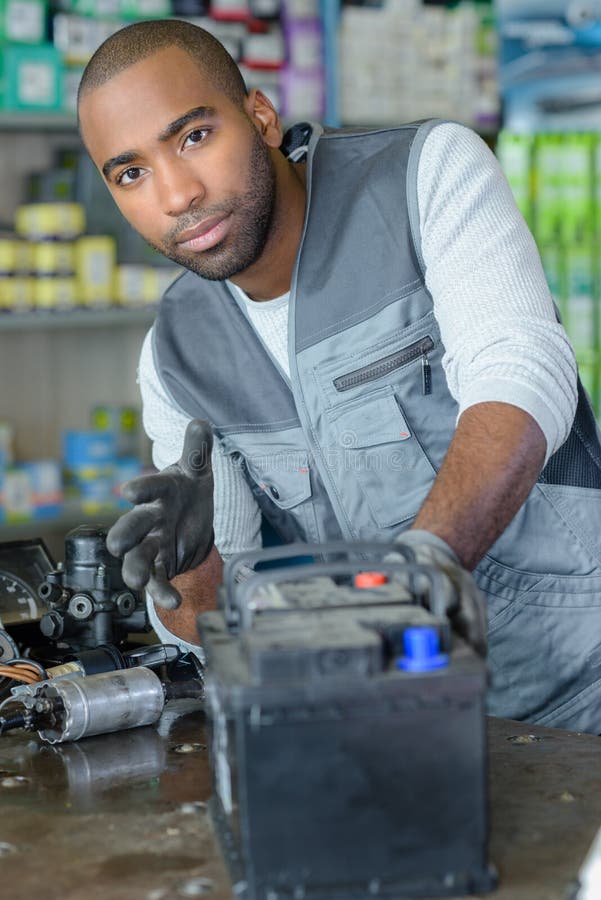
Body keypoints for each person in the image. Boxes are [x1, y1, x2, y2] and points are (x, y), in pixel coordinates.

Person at [77, 18, 601, 733]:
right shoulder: (175, 357)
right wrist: (194, 569)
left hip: (578, 688)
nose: (176, 196)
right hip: (390, 727)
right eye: (131, 173)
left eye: (194, 137)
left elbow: (520, 371)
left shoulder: (420, 174)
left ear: (259, 116)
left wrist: (422, 568)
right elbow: (219, 633)